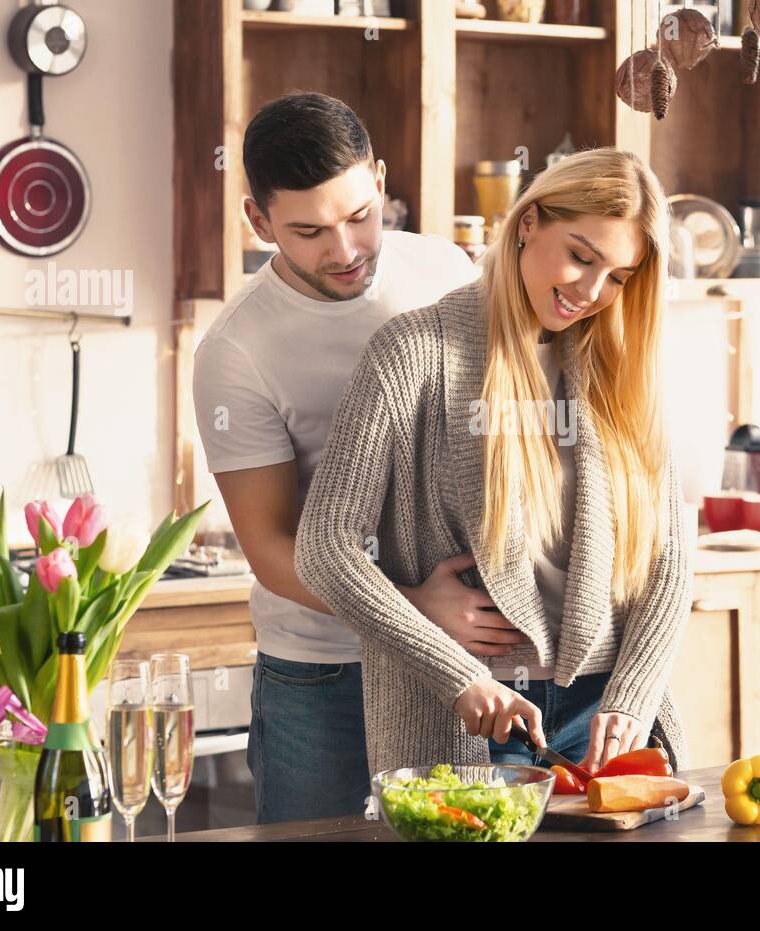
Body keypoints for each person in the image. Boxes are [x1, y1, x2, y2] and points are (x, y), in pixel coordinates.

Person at [296, 147, 693, 777]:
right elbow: (325, 547)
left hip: (609, 715)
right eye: (581, 256)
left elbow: (668, 560)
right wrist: (455, 675)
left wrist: (634, 697)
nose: (591, 292)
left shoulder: (623, 371)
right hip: (474, 711)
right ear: (529, 222)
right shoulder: (412, 355)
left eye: (618, 277)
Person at [192, 93, 523, 822]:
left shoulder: (442, 266)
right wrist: (410, 607)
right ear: (258, 220)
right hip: (324, 674)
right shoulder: (236, 352)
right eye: (307, 231)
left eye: (359, 216)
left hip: (467, 656)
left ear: (378, 178)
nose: (343, 250)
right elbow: (272, 547)